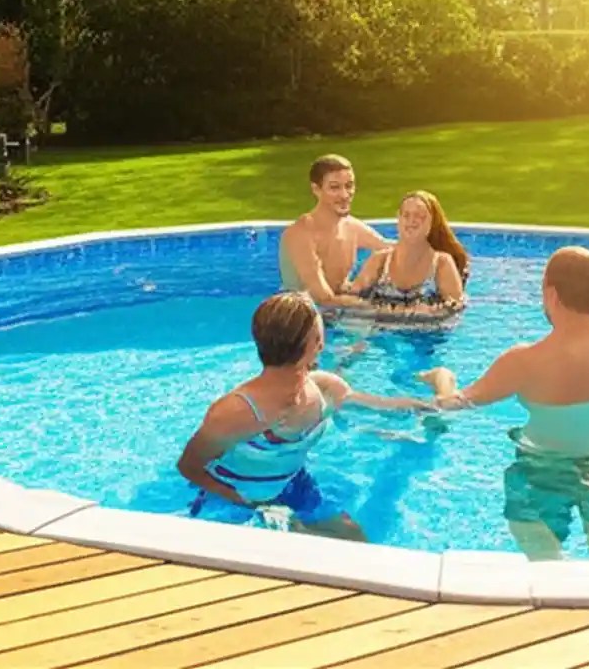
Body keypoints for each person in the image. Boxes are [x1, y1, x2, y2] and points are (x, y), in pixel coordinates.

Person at [418, 246, 589, 561]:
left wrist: (443, 378)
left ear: (550, 294)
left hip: (542, 466)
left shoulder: (525, 361)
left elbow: (454, 405)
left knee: (540, 548)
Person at [177, 291, 432, 541]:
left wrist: (429, 407)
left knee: (355, 541)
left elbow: (379, 407)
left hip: (293, 485)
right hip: (233, 496)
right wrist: (244, 502)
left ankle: (297, 529)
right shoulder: (237, 411)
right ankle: (293, 529)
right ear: (318, 345)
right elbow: (189, 467)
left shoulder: (325, 389)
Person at [279, 155, 390, 307]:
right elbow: (322, 298)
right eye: (334, 187)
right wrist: (376, 307)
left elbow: (392, 248)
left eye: (349, 186)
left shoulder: (352, 227)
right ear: (316, 190)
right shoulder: (300, 234)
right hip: (304, 315)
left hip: (341, 303)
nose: (345, 195)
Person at [348, 191, 469, 318]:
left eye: (419, 216)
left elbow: (456, 306)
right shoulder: (380, 260)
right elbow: (352, 298)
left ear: (432, 223)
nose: (412, 221)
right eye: (406, 215)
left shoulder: (442, 263)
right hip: (382, 332)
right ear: (398, 220)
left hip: (427, 334)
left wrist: (435, 313)